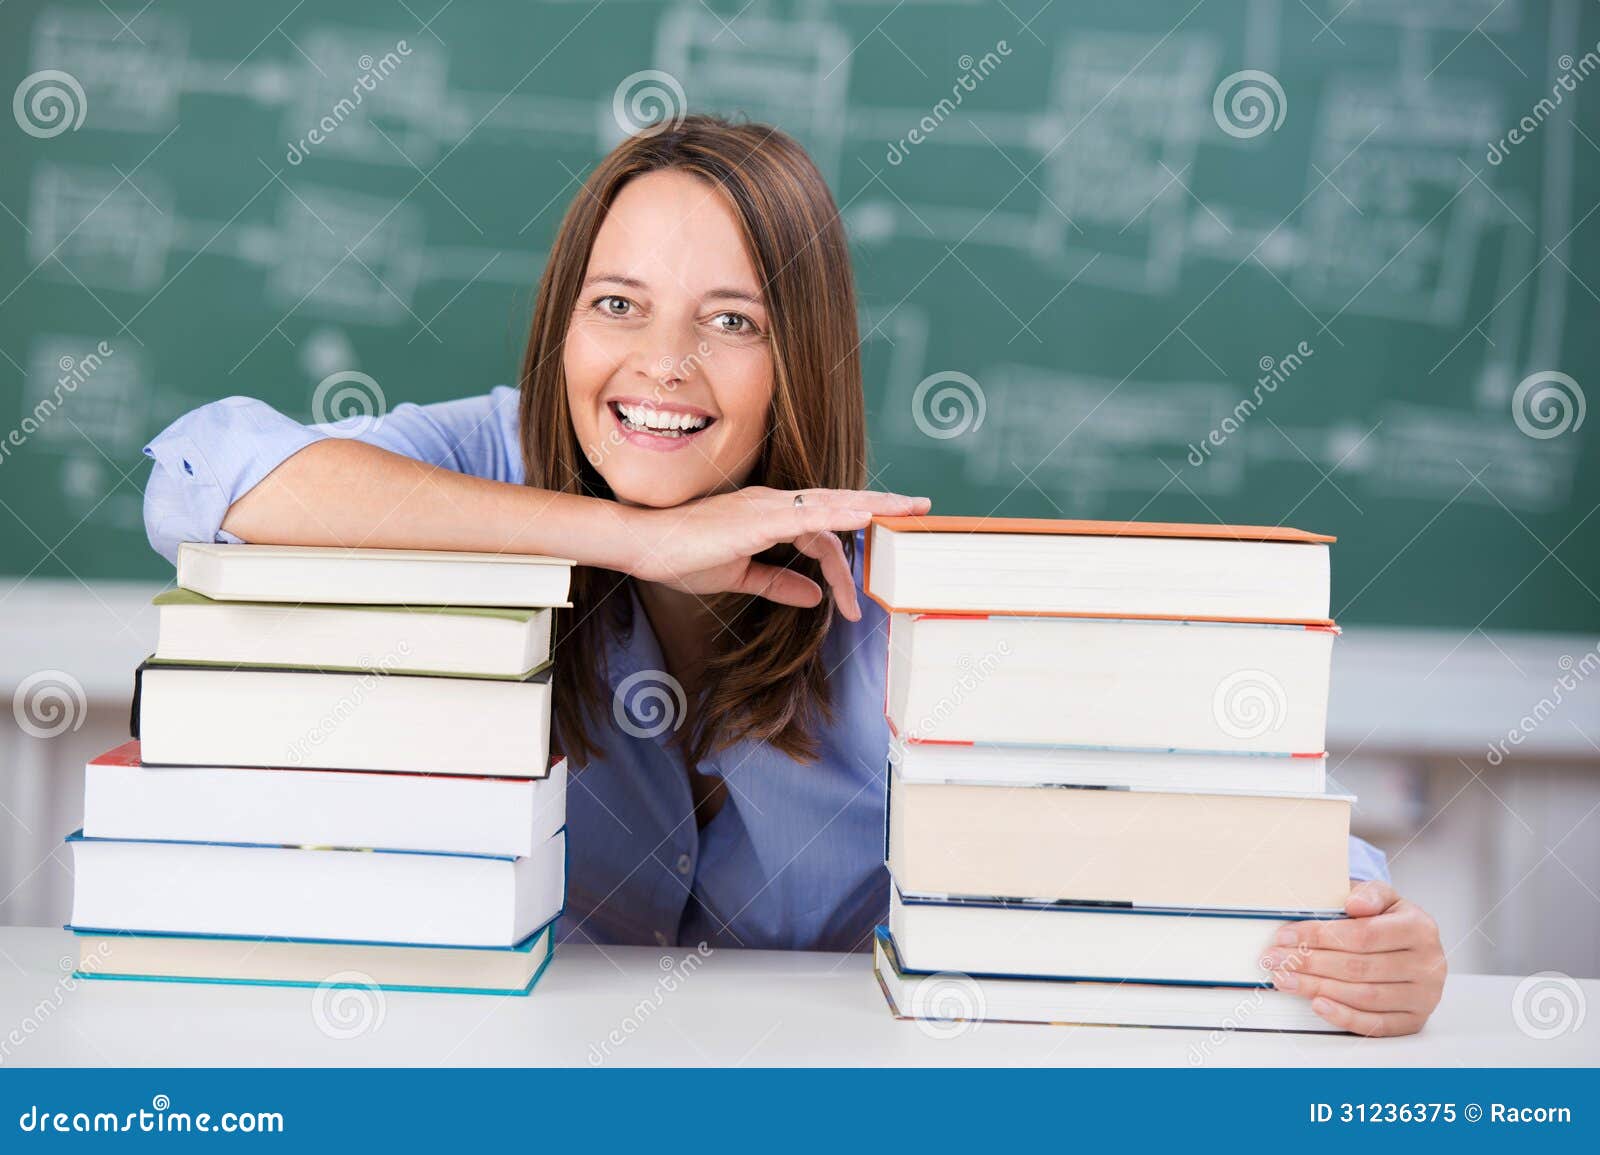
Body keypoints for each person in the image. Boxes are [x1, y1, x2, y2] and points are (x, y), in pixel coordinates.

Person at [142, 116, 1445, 1035]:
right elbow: (213, 474)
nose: (661, 364)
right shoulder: (486, 455)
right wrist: (635, 539)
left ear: (798, 359)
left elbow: (1228, 823)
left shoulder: (897, 605)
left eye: (732, 320)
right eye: (616, 304)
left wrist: (1377, 934)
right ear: (562, 321)